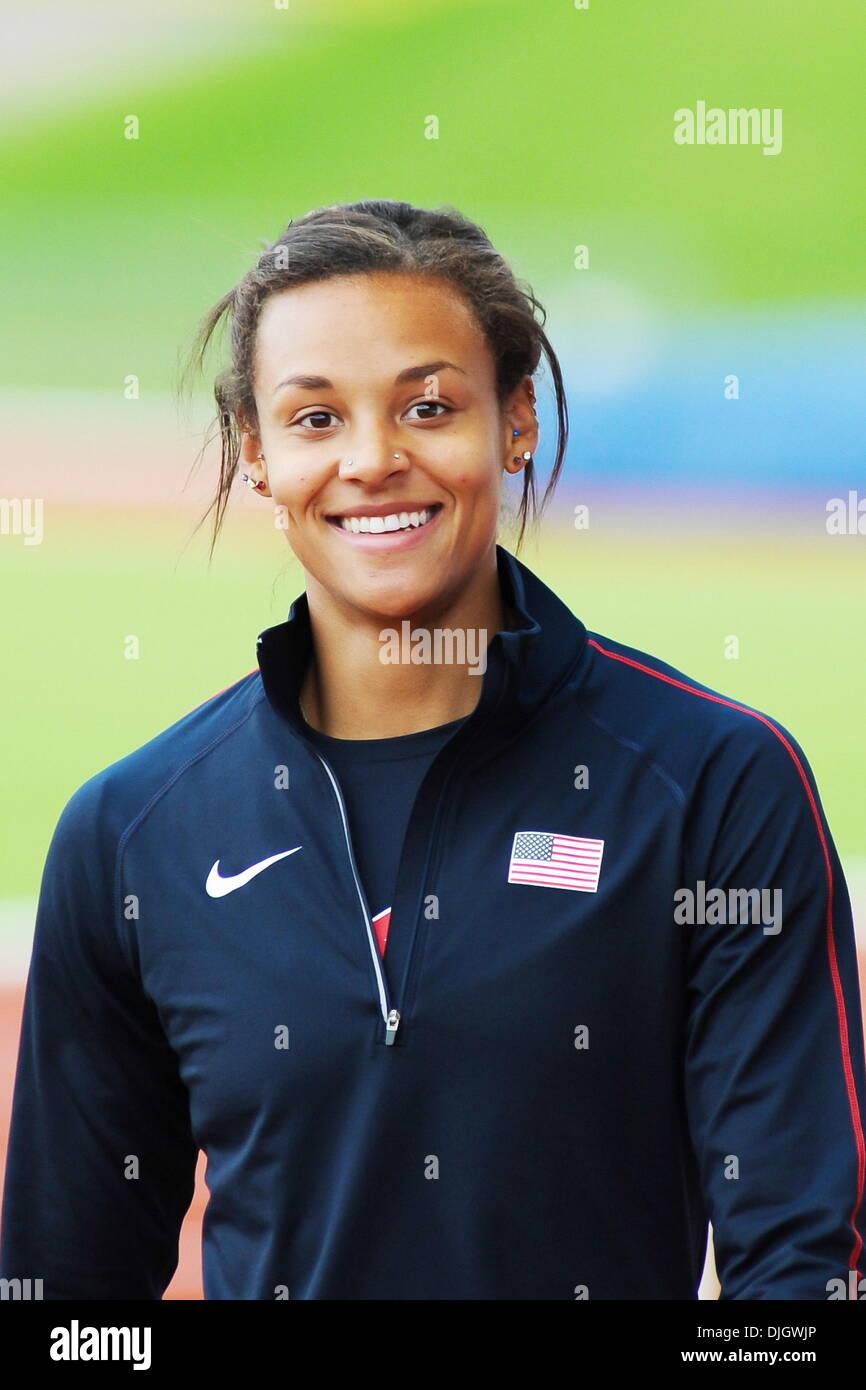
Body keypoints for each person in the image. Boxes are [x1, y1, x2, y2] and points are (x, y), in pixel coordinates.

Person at [1, 199, 864, 1301]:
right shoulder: (133, 832)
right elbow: (69, 1302)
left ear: (515, 420)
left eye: (426, 404)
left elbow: (800, 1267)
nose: (374, 459)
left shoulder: (711, 783)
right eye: (315, 419)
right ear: (254, 454)